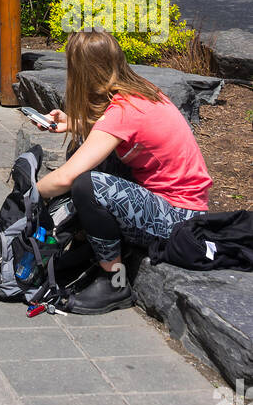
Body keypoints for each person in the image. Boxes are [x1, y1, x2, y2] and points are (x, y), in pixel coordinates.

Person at [35, 27, 212, 315]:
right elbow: (114, 130)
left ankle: (113, 281)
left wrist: (29, 194)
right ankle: (88, 250)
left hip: (178, 220)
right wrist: (75, 122)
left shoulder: (123, 112)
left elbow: (66, 177)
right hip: (182, 208)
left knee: (87, 186)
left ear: (84, 72)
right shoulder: (138, 91)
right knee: (88, 156)